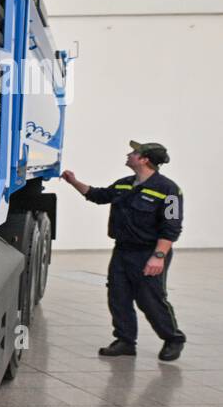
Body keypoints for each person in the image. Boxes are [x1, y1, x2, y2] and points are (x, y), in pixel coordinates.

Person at [61, 141, 185, 361]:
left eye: (134, 152)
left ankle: (173, 339)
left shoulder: (169, 189)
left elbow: (172, 227)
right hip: (122, 250)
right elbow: (98, 195)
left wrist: (158, 257)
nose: (129, 154)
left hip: (150, 252)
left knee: (150, 299)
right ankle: (125, 341)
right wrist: (73, 181)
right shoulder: (125, 184)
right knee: (118, 296)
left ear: (145, 159)